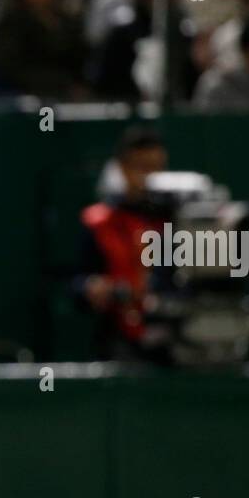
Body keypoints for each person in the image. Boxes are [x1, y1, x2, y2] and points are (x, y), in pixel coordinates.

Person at [75, 126, 169, 363]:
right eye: (143, 168)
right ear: (123, 169)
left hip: (172, 337)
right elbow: (74, 281)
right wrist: (90, 286)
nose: (150, 177)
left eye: (157, 168)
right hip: (118, 339)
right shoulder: (99, 221)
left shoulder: (177, 221)